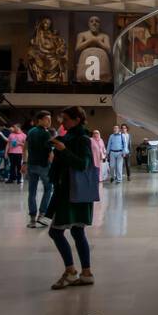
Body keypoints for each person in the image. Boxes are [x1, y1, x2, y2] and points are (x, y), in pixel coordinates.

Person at [47, 106, 96, 290]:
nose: (62, 122)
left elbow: (82, 164)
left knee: (55, 231)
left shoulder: (82, 139)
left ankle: (71, 271)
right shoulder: (69, 137)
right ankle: (86, 273)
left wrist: (64, 149)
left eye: (66, 119)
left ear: (76, 120)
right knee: (77, 231)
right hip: (70, 191)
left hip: (71, 192)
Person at [25, 110, 55, 228]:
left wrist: (24, 162)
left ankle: (32, 219)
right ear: (40, 120)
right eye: (47, 119)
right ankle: (41, 215)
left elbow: (25, 147)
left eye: (50, 119)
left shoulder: (31, 131)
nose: (49, 121)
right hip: (43, 166)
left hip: (31, 165)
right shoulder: (46, 134)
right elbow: (50, 153)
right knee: (48, 189)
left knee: (32, 191)